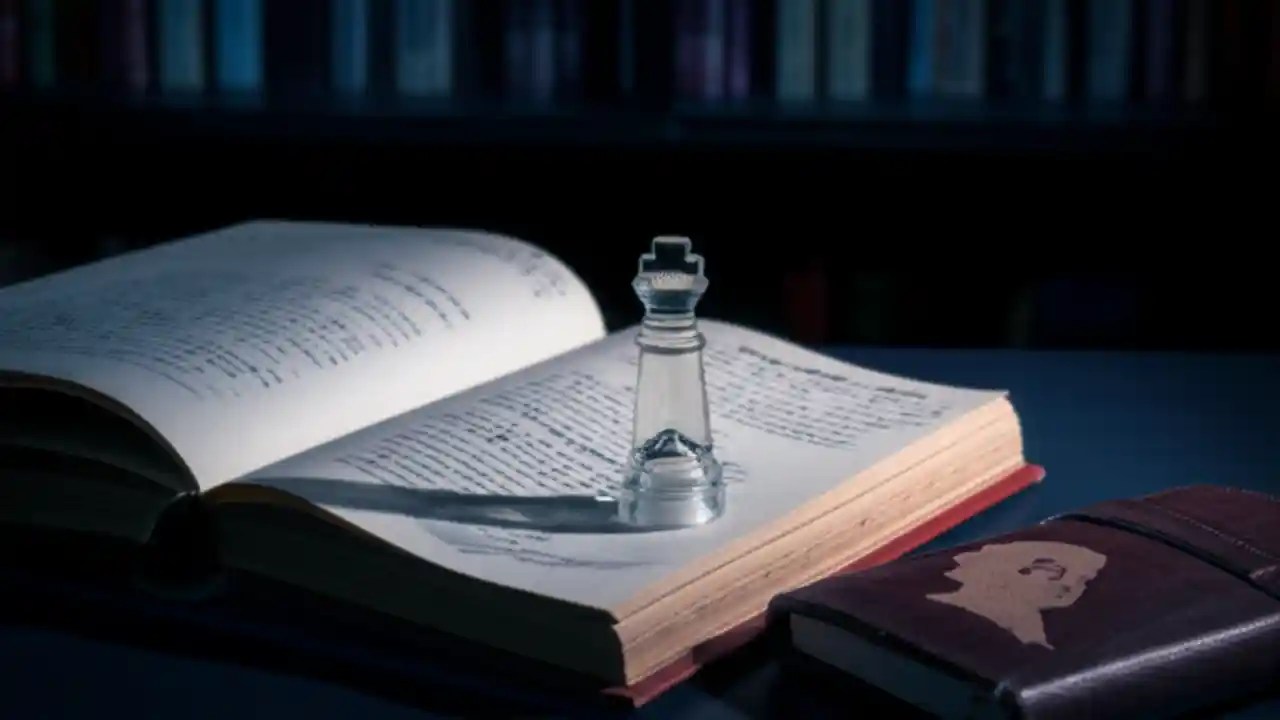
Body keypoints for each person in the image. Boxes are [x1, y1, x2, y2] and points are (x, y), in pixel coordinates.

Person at [926, 540, 1108, 650]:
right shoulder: (937, 613)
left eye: (1083, 579)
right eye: (1053, 572)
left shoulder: (1034, 640)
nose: (1068, 585)